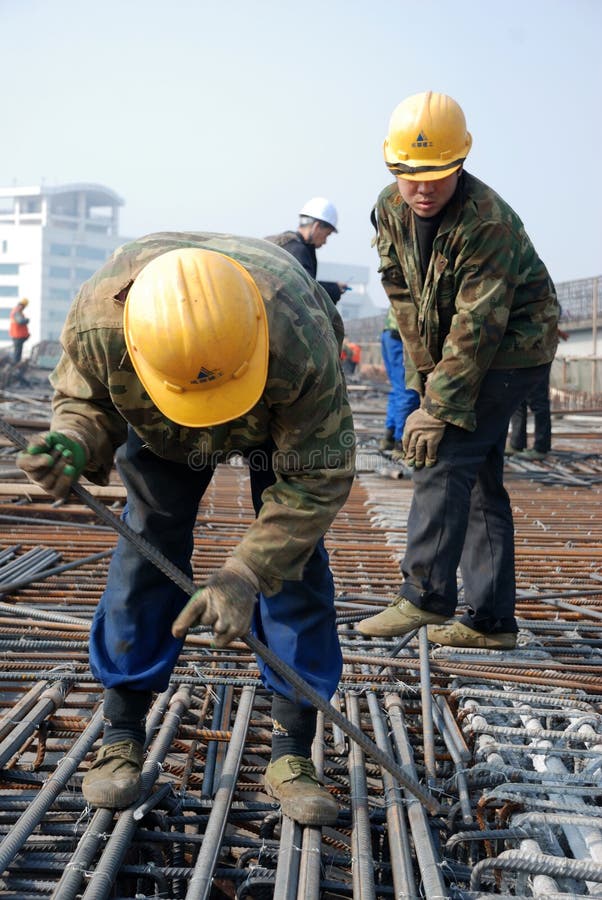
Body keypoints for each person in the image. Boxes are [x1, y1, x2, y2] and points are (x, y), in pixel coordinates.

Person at [17, 234, 355, 825]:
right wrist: (73, 441)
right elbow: (84, 402)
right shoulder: (102, 324)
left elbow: (316, 481)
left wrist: (246, 572)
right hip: (158, 418)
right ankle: (122, 732)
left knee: (292, 561)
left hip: (271, 405)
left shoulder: (300, 342)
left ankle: (291, 749)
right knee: (147, 542)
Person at [357, 91, 559, 649]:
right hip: (457, 341)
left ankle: (425, 596)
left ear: (462, 161)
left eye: (437, 175)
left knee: (444, 453)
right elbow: (403, 294)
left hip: (514, 345)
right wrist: (423, 383)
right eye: (408, 174)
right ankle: (492, 621)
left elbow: (478, 326)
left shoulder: (486, 222)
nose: (422, 189)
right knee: (478, 480)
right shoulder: (390, 208)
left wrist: (438, 409)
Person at [265, 198, 349, 304]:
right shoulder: (299, 251)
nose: (325, 241)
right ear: (316, 227)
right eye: (327, 234)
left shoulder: (282, 244)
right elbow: (307, 292)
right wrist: (335, 290)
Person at [506, 327, 569, 460]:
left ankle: (541, 447)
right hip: (521, 350)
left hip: (537, 352)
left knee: (538, 400)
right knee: (518, 400)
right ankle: (517, 444)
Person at [379, 305, 420, 458]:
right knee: (409, 390)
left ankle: (389, 437)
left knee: (398, 390)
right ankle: (400, 443)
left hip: (391, 332)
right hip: (401, 334)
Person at [9, 298, 30, 363]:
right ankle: (15, 364)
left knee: (18, 351)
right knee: (17, 352)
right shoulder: (17, 312)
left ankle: (16, 363)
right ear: (22, 305)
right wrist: (27, 320)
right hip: (17, 335)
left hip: (18, 335)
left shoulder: (17, 311)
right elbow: (20, 321)